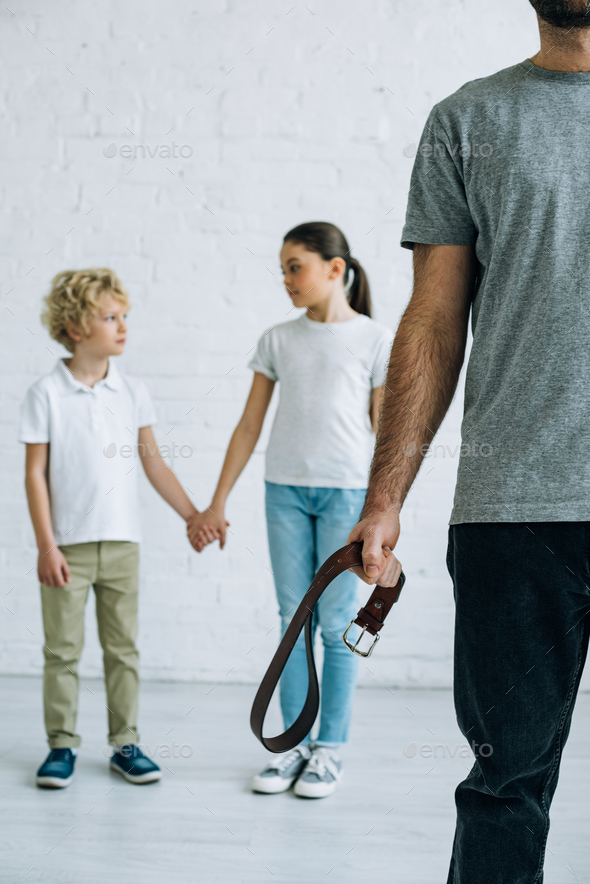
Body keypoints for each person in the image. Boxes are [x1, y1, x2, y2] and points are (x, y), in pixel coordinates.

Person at [345, 1, 590, 880]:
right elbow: (434, 321)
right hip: (513, 514)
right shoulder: (469, 121)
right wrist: (385, 498)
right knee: (505, 787)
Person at [188, 222, 393, 798]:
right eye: (281, 269)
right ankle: (293, 745)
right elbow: (249, 424)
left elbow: (385, 433)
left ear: (335, 269)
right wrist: (217, 500)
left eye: (295, 266)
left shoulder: (377, 340)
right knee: (290, 621)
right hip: (283, 491)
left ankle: (329, 749)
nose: (286, 279)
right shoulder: (278, 339)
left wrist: (384, 508)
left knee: (334, 626)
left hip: (347, 496)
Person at [20, 268, 216, 789]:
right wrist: (46, 546)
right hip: (66, 549)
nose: (123, 325)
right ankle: (60, 746)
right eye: (111, 317)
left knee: (122, 649)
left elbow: (154, 464)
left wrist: (193, 515)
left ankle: (124, 744)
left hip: (123, 545)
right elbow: (35, 475)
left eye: (125, 316)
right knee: (61, 651)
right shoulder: (46, 394)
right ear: (76, 327)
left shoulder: (132, 391)